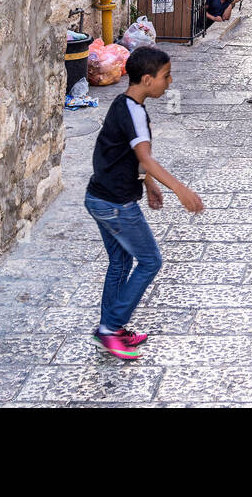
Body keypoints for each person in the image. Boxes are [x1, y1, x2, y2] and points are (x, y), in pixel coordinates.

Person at [85, 45, 204, 360]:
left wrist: (148, 184)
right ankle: (111, 328)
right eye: (166, 76)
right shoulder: (135, 112)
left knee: (121, 263)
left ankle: (109, 328)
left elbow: (129, 156)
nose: (170, 82)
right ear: (148, 79)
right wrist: (180, 189)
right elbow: (145, 158)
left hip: (98, 197)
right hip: (115, 205)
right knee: (150, 261)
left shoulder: (123, 105)